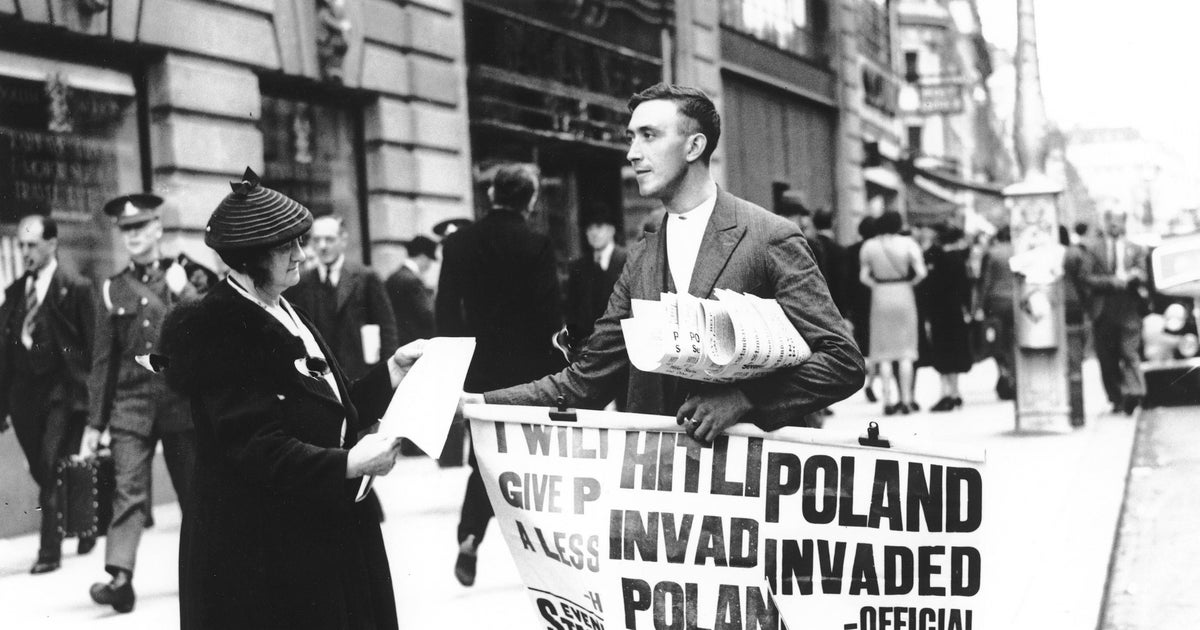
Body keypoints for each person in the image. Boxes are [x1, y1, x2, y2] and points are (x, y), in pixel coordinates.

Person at [471, 84, 863, 448]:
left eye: (649, 135)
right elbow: (584, 383)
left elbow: (842, 362)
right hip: (661, 494)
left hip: (752, 493)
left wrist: (744, 398)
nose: (632, 152)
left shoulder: (769, 237)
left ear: (694, 146)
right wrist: (472, 404)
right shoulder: (641, 255)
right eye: (631, 138)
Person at [160, 168, 423, 630]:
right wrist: (349, 464)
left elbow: (327, 407)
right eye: (287, 246)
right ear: (246, 259)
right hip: (260, 550)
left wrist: (391, 373)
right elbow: (257, 447)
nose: (302, 253)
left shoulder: (283, 307)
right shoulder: (222, 328)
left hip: (312, 525)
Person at [436, 162, 567, 587]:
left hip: (477, 371)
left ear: (492, 196)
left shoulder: (458, 244)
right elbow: (549, 317)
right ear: (529, 200)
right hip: (528, 375)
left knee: (484, 461)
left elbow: (444, 312)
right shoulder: (537, 244)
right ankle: (544, 554)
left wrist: (458, 367)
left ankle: (471, 535)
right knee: (533, 462)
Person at [81, 193, 200, 612]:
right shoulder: (112, 288)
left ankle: (205, 572)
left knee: (193, 492)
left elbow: (209, 329)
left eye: (139, 227)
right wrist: (95, 425)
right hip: (130, 406)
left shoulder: (187, 276)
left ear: (157, 229)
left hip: (180, 403)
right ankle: (119, 576)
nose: (132, 236)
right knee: (127, 489)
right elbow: (102, 360)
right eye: (126, 230)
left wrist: (184, 293)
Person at [0, 215, 95, 574]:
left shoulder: (75, 287)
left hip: (62, 391)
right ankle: (81, 518)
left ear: (52, 245)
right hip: (23, 396)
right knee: (43, 469)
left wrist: (93, 400)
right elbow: (3, 354)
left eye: (32, 245)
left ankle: (49, 551)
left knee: (54, 465)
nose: (26, 252)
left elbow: (92, 346)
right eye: (21, 245)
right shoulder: (14, 294)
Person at [284, 215, 399, 381]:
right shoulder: (302, 282)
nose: (323, 246)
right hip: (321, 377)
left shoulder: (365, 277)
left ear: (343, 240)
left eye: (329, 239)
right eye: (317, 240)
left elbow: (387, 329)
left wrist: (386, 373)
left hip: (361, 374)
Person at [858, 210, 927, 415]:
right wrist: (909, 283)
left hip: (881, 294)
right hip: (903, 293)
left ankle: (887, 400)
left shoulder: (869, 246)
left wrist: (876, 285)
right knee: (906, 351)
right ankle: (906, 399)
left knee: (884, 352)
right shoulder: (908, 244)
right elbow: (922, 272)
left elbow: (863, 276)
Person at [1081, 208, 1148, 415]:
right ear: (1105, 223)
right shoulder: (1093, 249)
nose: (1115, 226)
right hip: (1104, 310)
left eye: (1119, 222)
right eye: (1111, 223)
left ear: (1124, 224)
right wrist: (1111, 282)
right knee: (1107, 358)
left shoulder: (1136, 249)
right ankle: (1117, 397)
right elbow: (1086, 278)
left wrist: (1134, 275)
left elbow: (1144, 274)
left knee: (1129, 353)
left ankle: (1135, 392)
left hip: (1129, 309)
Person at [923, 224, 973, 411]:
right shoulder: (959, 259)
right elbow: (966, 287)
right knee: (955, 349)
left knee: (942, 350)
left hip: (938, 310)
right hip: (955, 310)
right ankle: (955, 392)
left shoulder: (934, 257)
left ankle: (945, 393)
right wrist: (967, 309)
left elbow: (928, 288)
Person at [565, 210, 627, 349]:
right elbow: (572, 311)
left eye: (599, 226)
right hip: (586, 347)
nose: (594, 232)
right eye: (589, 228)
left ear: (611, 230)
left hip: (619, 345)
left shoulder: (626, 260)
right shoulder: (578, 266)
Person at [976, 226, 1017, 401]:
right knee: (1014, 340)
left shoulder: (992, 253)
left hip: (996, 302)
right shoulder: (1019, 251)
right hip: (1015, 301)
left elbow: (985, 281)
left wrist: (978, 306)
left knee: (998, 342)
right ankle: (1015, 376)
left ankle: (1004, 373)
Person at [846, 216, 879, 402]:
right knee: (878, 346)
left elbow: (847, 280)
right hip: (878, 299)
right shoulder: (878, 248)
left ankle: (866, 377)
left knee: (864, 344)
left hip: (858, 304)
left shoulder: (851, 251)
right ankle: (873, 382)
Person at [385, 235, 437, 346]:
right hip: (414, 341)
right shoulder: (413, 281)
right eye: (429, 260)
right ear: (423, 257)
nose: (429, 266)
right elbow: (428, 314)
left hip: (398, 341)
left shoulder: (393, 276)